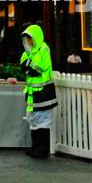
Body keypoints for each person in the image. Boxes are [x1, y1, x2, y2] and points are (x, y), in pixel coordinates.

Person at [20, 23, 57, 159]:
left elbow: (40, 68)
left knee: (43, 121)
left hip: (43, 92)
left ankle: (42, 150)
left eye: (30, 38)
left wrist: (29, 65)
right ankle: (35, 147)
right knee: (33, 120)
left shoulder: (43, 49)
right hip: (33, 93)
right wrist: (29, 66)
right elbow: (23, 66)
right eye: (27, 39)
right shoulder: (27, 52)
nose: (28, 41)